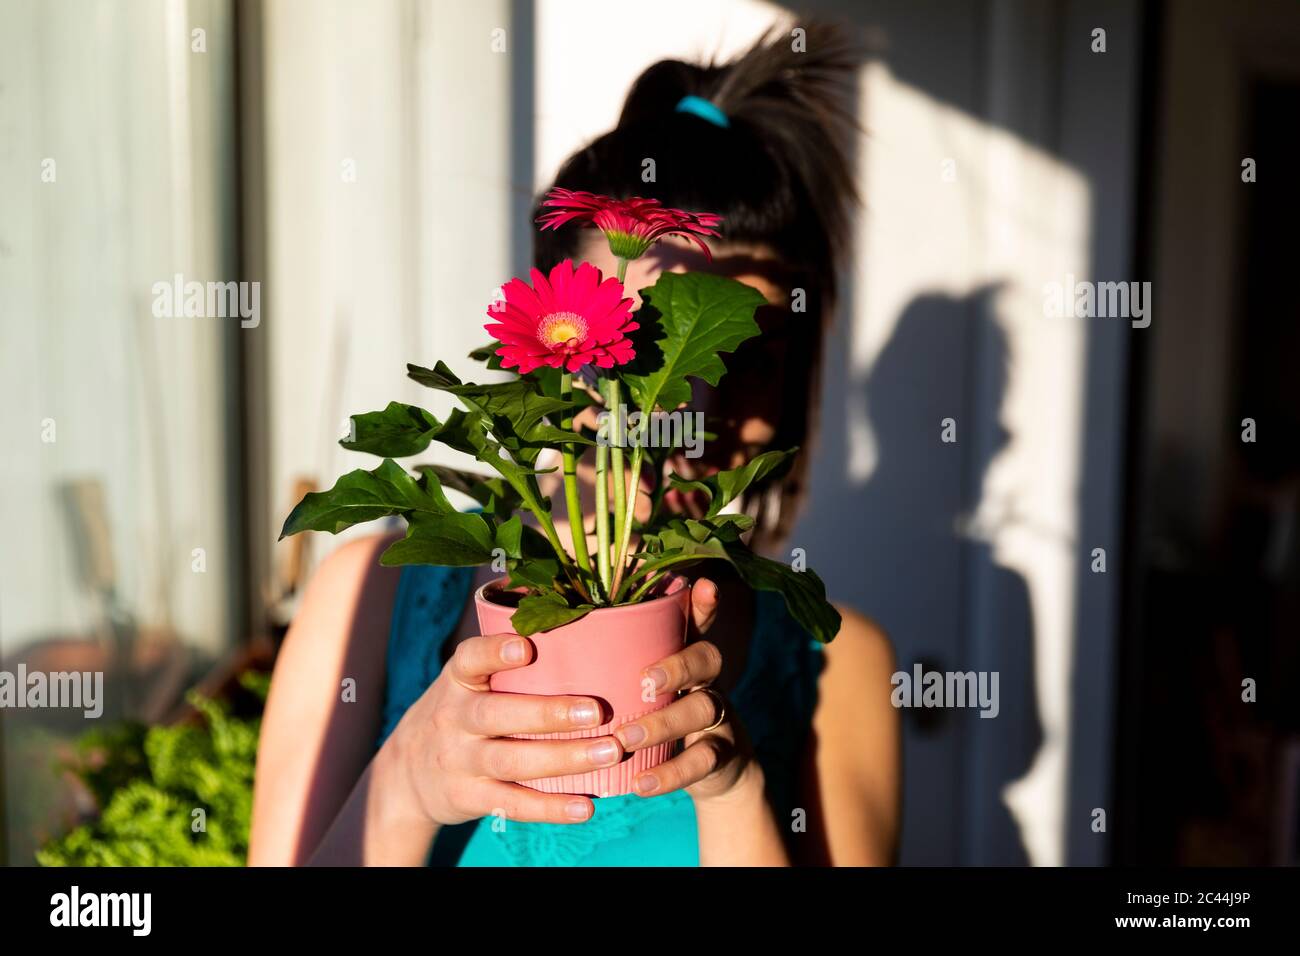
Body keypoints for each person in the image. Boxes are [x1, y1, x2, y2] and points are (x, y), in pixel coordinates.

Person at [250, 22, 900, 867]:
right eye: (647, 344)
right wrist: (407, 782)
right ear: (558, 338)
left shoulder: (839, 663)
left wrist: (733, 793)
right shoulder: (368, 599)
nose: (695, 403)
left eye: (751, 357)